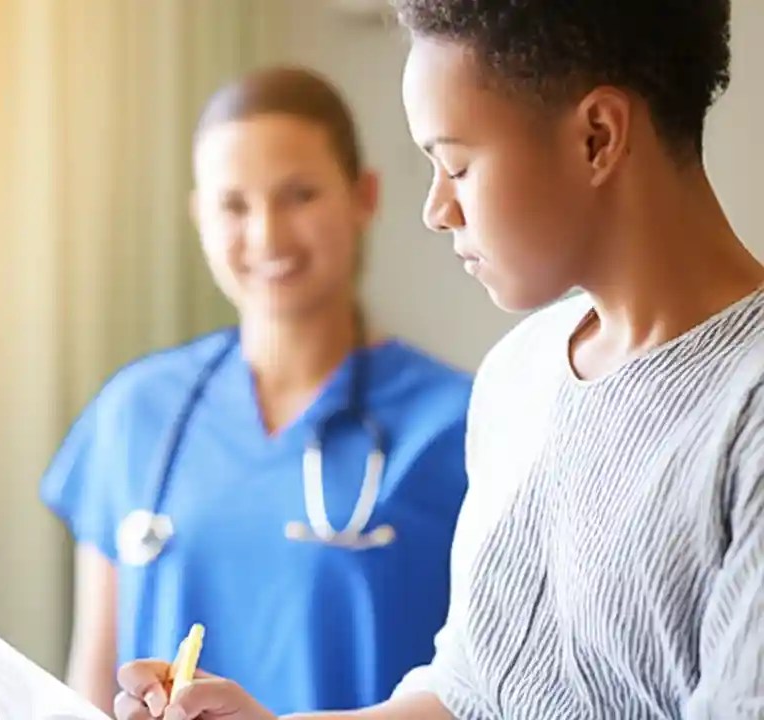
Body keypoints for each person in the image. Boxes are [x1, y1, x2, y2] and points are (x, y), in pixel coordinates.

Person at [112, 1, 764, 719]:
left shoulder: (745, 410)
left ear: (597, 137)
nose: (436, 208)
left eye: (455, 163)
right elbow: (469, 693)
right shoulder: (523, 371)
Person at [38, 67, 473, 716]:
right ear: (199, 217)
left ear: (365, 197)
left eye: (299, 195)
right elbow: (91, 685)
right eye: (233, 205)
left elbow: (488, 692)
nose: (267, 235)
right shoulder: (136, 413)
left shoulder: (461, 427)